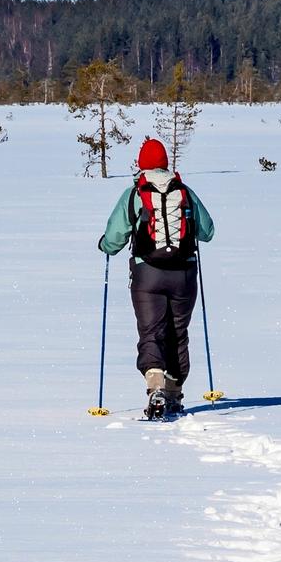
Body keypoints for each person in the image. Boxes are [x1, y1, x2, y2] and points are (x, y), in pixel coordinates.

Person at [98, 137, 215, 417]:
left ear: (141, 165)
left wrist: (105, 245)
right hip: (184, 275)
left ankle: (156, 386)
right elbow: (207, 232)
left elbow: (115, 237)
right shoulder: (184, 192)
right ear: (165, 163)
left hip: (146, 275)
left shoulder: (135, 194)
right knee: (178, 333)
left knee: (151, 332)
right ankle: (174, 393)